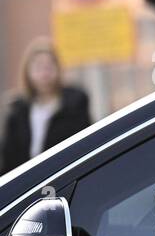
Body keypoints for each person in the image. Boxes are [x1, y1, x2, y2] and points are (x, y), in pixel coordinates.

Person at [2, 39, 92, 174]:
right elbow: (8, 159)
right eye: (38, 67)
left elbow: (83, 146)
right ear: (27, 72)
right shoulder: (17, 111)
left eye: (49, 67)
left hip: (64, 176)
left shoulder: (75, 104)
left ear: (58, 69)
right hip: (26, 183)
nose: (44, 73)